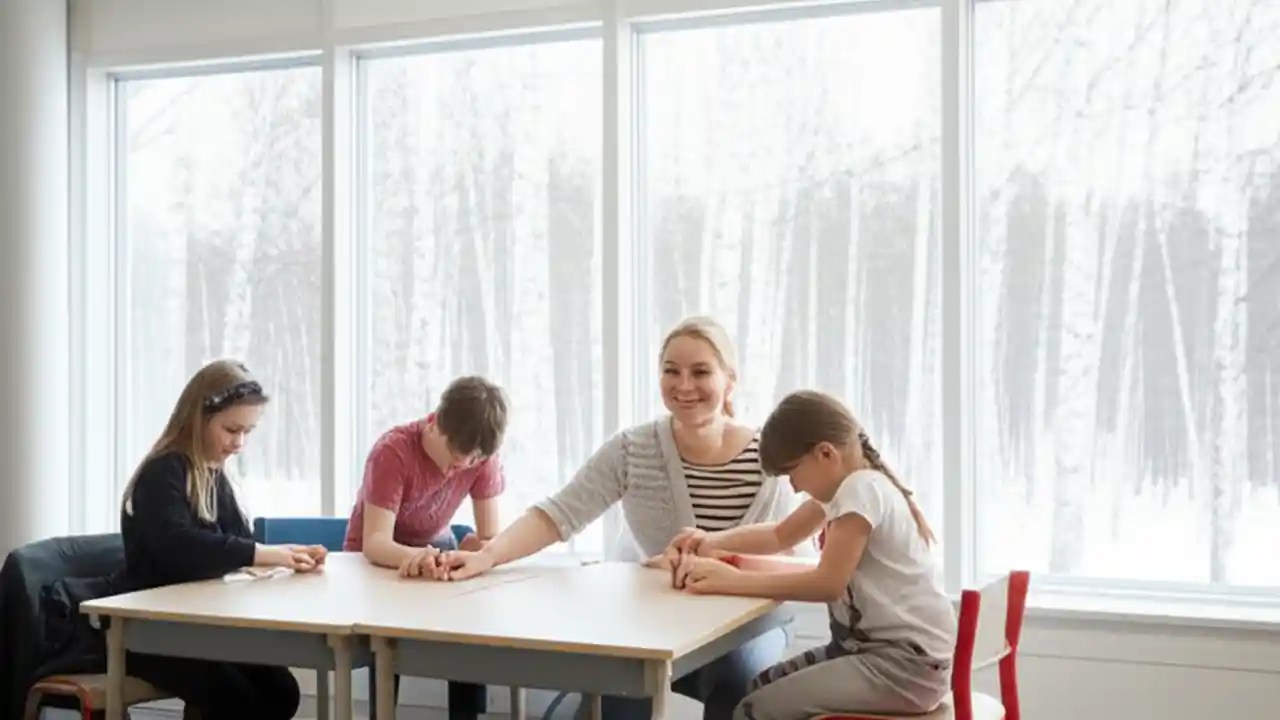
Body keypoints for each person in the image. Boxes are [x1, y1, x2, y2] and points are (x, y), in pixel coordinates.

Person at [437, 316, 792, 720]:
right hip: (661, 619)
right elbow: (558, 513)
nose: (684, 385)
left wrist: (718, 563)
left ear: (730, 380)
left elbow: (792, 554)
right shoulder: (633, 448)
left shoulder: (771, 457)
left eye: (700, 372)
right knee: (618, 687)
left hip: (749, 624)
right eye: (671, 371)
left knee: (739, 681)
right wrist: (488, 556)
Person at [668, 390, 956, 720]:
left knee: (752, 709)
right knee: (754, 688)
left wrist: (733, 582)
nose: (792, 486)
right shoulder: (850, 487)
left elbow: (828, 585)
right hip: (888, 658)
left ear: (825, 453)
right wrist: (710, 541)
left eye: (792, 471)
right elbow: (781, 534)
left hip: (901, 667)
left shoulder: (860, 490)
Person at [119, 359, 323, 720]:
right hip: (150, 632)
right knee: (233, 697)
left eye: (248, 432)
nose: (239, 443)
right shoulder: (163, 473)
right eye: (232, 429)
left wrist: (285, 554)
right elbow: (181, 547)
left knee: (281, 691)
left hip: (195, 624)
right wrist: (265, 554)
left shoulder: (211, 474)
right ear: (200, 418)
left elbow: (237, 543)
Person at [343, 374, 509, 720]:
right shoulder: (393, 452)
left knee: (469, 629)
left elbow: (491, 538)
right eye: (453, 455)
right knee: (388, 641)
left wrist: (478, 550)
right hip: (374, 563)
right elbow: (375, 543)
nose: (458, 468)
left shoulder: (481, 457)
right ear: (435, 424)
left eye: (471, 461)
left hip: (435, 554)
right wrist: (419, 557)